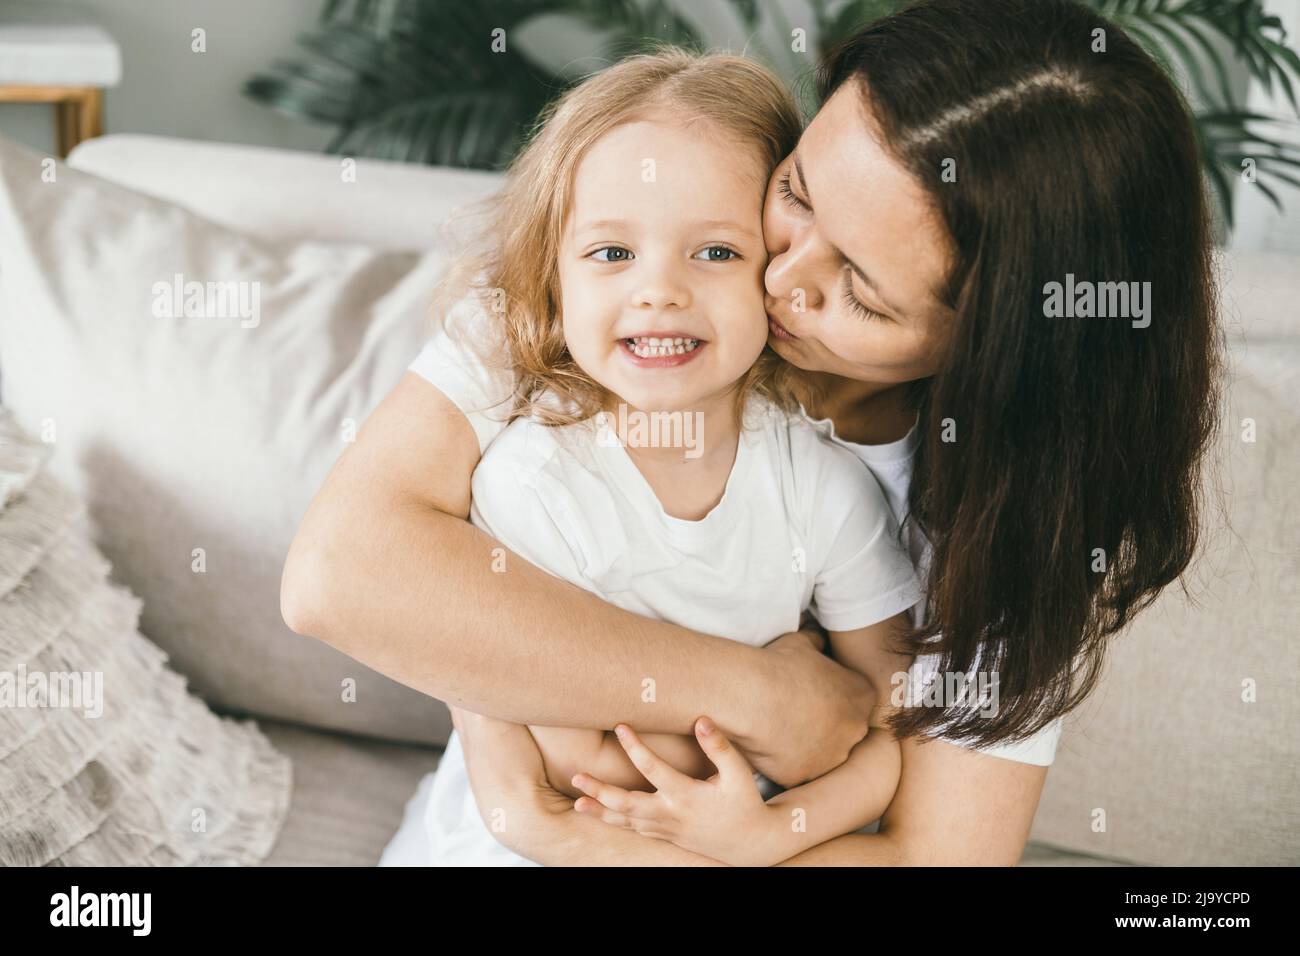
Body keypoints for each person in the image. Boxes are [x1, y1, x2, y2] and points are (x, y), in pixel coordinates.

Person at [282, 0, 1221, 865]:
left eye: (858, 288)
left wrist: (682, 839)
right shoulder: (576, 316)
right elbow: (340, 576)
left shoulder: (1014, 527)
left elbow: (930, 859)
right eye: (800, 193)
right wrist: (760, 696)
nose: (778, 279)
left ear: (999, 350)